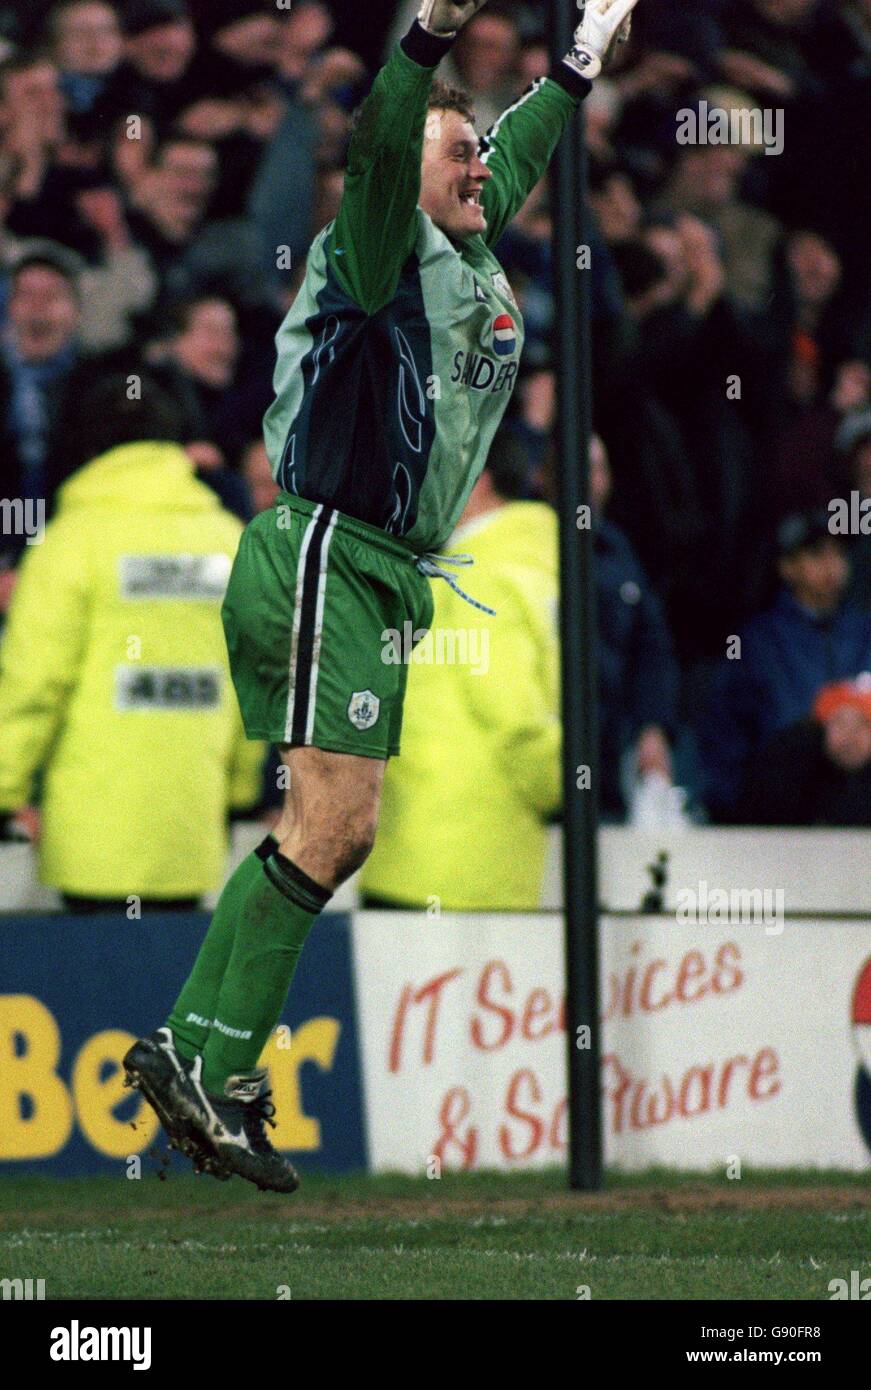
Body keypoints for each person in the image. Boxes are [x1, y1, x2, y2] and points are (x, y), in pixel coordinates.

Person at [122, 0, 641, 1193]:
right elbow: (380, 147)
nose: (477, 166)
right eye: (451, 152)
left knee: (327, 828)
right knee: (339, 825)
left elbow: (508, 151)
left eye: (474, 152)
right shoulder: (375, 241)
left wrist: (571, 65)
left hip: (376, 568)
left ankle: (193, 1054)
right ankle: (216, 1061)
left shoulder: (458, 248)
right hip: (326, 546)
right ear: (402, 172)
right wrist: (421, 41)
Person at [0, 373, 263, 910]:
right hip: (189, 832)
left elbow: (30, 688)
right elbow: (255, 682)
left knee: (96, 991)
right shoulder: (229, 542)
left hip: (91, 845)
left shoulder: (71, 543)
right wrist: (237, 789)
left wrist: (4, 790)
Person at [359, 431, 561, 910]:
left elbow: (516, 719)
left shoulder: (478, 577)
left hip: (444, 864)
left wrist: (558, 792)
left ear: (477, 482)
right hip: (469, 859)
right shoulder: (525, 564)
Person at [697, 510, 871, 821]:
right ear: (787, 567)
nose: (832, 566)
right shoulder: (755, 643)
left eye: (838, 553)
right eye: (817, 554)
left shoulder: (865, 633)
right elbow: (724, 740)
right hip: (780, 823)